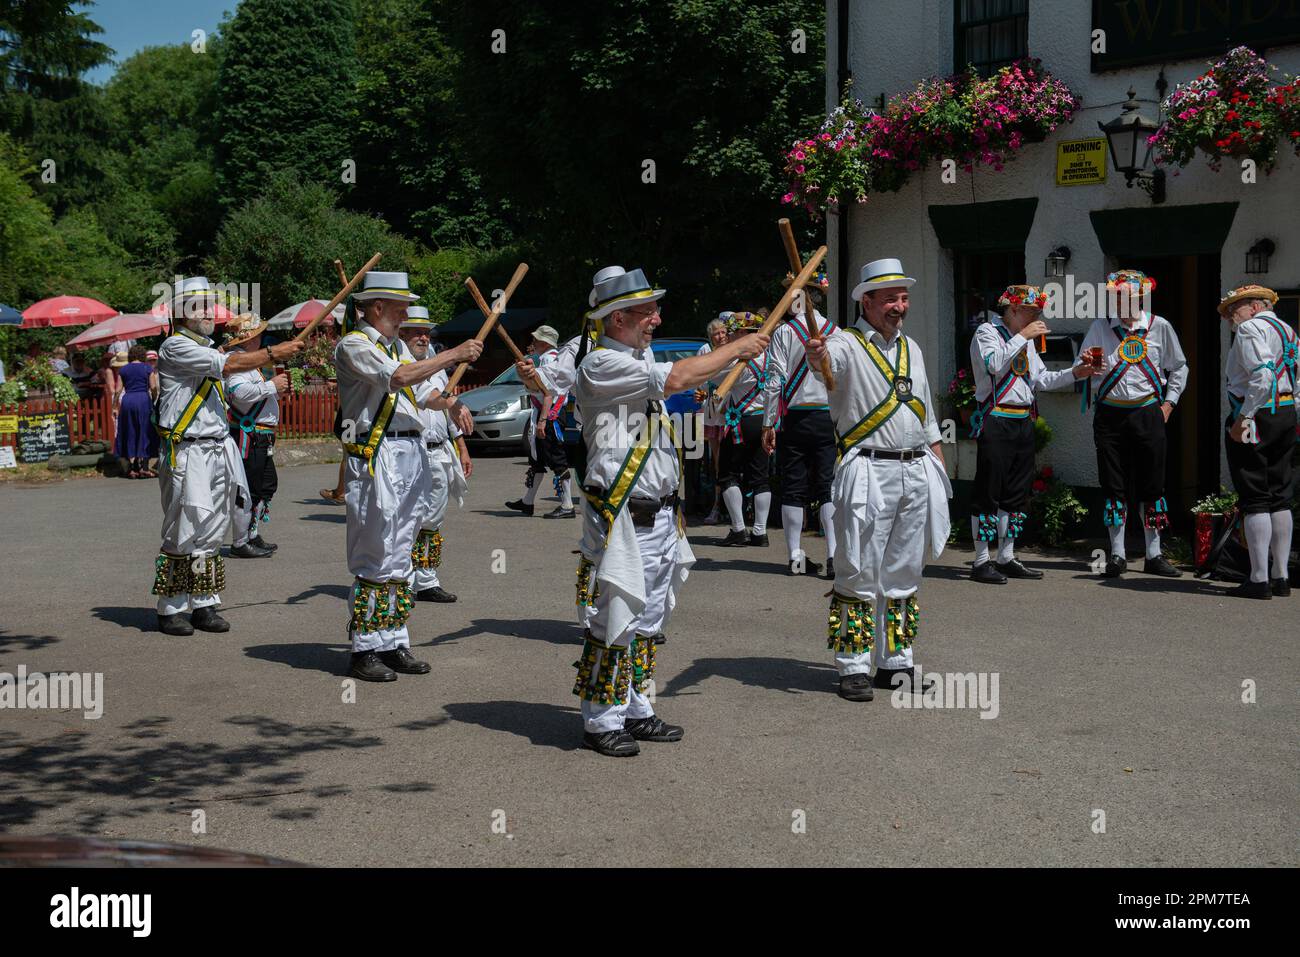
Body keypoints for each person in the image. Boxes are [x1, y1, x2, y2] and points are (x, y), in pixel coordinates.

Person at [524, 265, 767, 756]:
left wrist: (733, 356)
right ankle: (600, 721)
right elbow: (677, 378)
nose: (657, 318)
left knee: (650, 622)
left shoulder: (637, 357)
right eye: (647, 311)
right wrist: (737, 347)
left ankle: (637, 710)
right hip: (621, 515)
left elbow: (680, 378)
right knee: (615, 618)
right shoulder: (598, 365)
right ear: (617, 319)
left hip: (660, 515)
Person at [805, 258, 951, 703]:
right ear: (866, 301)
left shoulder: (913, 349)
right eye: (890, 298)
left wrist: (940, 473)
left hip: (915, 467)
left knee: (905, 569)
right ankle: (852, 666)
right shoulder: (845, 344)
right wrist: (817, 356)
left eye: (903, 297)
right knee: (858, 567)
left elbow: (926, 417)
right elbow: (824, 364)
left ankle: (896, 661)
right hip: (867, 469)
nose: (899, 306)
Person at [334, 271, 480, 682]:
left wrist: (448, 404)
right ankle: (364, 647)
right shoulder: (354, 345)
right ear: (377, 307)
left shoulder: (396, 346)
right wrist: (452, 355)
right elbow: (397, 379)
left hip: (409, 452)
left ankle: (393, 639)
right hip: (377, 453)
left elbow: (420, 393)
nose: (405, 318)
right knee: (374, 548)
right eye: (400, 310)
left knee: (401, 550)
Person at [152, 277, 304, 636]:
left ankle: (204, 603)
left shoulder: (208, 348)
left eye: (209, 304)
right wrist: (272, 354)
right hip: (187, 450)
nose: (208, 312)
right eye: (198, 305)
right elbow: (226, 365)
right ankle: (170, 607)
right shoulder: (175, 346)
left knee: (211, 529)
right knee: (182, 527)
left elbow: (226, 365)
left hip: (218, 446)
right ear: (180, 312)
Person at [966, 285, 1088, 583]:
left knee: (1016, 494)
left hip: (1023, 420)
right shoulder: (987, 332)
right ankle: (981, 561)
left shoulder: (1028, 339)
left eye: (1037, 313)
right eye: (1032, 312)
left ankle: (1006, 555)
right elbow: (994, 365)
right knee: (988, 491)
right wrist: (1023, 337)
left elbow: (1040, 379)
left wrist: (1075, 373)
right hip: (996, 418)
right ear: (1014, 309)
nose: (1036, 317)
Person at [1077, 270, 1187, 579]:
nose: (1120, 303)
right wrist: (1085, 364)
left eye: (1126, 297)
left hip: (1148, 412)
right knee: (1113, 484)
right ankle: (1117, 554)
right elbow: (1079, 367)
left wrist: (1168, 404)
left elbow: (1178, 366)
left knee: (1153, 484)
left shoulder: (1159, 327)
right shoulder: (1100, 327)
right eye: (1116, 297)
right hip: (1110, 416)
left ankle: (1154, 554)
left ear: (1140, 298)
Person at [1219, 284, 1296, 599]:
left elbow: (1262, 374)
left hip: (1257, 415)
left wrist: (1245, 418)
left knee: (1255, 496)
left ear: (1252, 306)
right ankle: (1281, 577)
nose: (1230, 319)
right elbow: (1295, 377)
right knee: (1279, 494)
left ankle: (1259, 579)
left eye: (1232, 310)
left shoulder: (1251, 327)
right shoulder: (1288, 330)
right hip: (1285, 413)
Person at [760, 273, 838, 576]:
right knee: (828, 487)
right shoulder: (837, 331)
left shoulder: (784, 333)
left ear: (804, 298)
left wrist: (768, 422)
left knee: (793, 486)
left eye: (793, 295)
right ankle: (833, 557)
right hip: (827, 418)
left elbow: (773, 380)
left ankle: (795, 557)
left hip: (794, 418)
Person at [400, 306, 474, 603]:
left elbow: (447, 410)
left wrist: (462, 448)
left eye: (426, 332)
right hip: (410, 452)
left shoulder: (438, 365)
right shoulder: (398, 365)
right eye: (416, 332)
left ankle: (426, 580)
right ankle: (402, 578)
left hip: (440, 451)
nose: (423, 337)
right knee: (409, 520)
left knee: (433, 519)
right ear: (401, 334)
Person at [224, 314, 287, 559]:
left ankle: (251, 533)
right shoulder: (236, 361)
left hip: (261, 435)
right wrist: (272, 386)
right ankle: (240, 541)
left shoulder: (249, 362)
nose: (261, 337)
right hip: (248, 435)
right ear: (248, 338)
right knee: (247, 489)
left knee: (265, 485)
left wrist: (276, 390)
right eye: (257, 334)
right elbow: (238, 393)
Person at [716, 310, 776, 547]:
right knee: (760, 476)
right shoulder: (768, 358)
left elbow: (713, 379)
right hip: (764, 420)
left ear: (742, 333)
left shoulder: (735, 360)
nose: (730, 337)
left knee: (727, 473)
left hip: (741, 421)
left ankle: (739, 529)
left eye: (734, 332)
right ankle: (760, 533)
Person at [506, 325, 575, 518]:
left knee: (556, 459)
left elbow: (550, 394)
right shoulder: (546, 359)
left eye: (536, 340)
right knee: (537, 459)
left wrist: (544, 420)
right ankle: (527, 502)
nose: (533, 343)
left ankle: (568, 505)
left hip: (550, 415)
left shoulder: (551, 360)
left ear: (544, 343)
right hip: (543, 414)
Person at [694, 318, 729, 524]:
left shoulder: (735, 350)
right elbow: (699, 384)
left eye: (723, 332)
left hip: (734, 413)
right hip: (713, 415)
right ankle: (717, 506)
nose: (720, 336)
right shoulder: (705, 351)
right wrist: (700, 397)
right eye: (716, 333)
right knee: (718, 462)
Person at [113, 344, 159, 479]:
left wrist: (115, 405)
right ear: (143, 356)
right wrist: (154, 398)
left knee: (130, 431)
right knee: (145, 431)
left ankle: (133, 468)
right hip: (143, 400)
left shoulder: (124, 369)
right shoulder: (147, 368)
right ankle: (144, 467)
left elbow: (117, 390)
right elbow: (153, 387)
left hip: (128, 401)